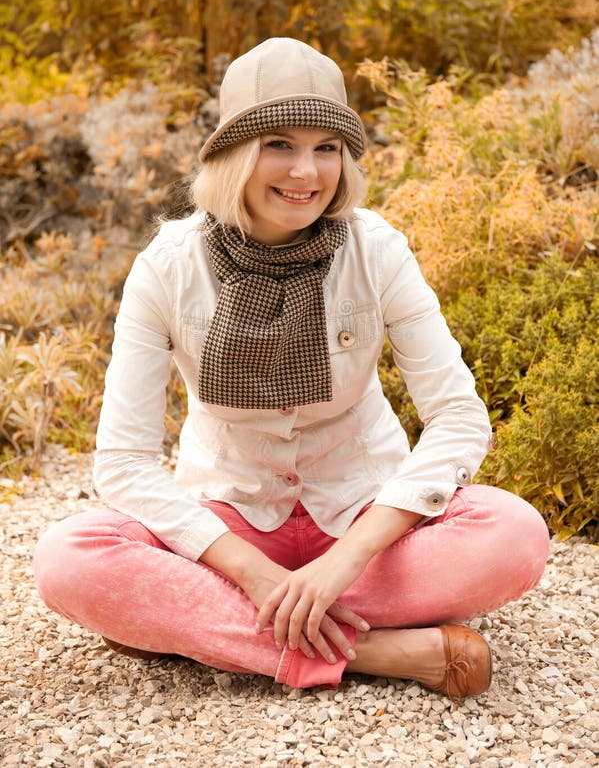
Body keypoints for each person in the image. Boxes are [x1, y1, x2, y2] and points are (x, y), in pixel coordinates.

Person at [34, 38, 549, 696]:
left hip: (365, 514)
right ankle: (380, 653)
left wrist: (345, 561)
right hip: (229, 519)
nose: (306, 173)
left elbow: (456, 418)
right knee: (69, 559)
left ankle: (207, 629)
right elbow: (123, 461)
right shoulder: (167, 265)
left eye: (326, 147)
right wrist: (252, 572)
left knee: (513, 535)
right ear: (232, 154)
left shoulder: (376, 250)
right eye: (279, 144)